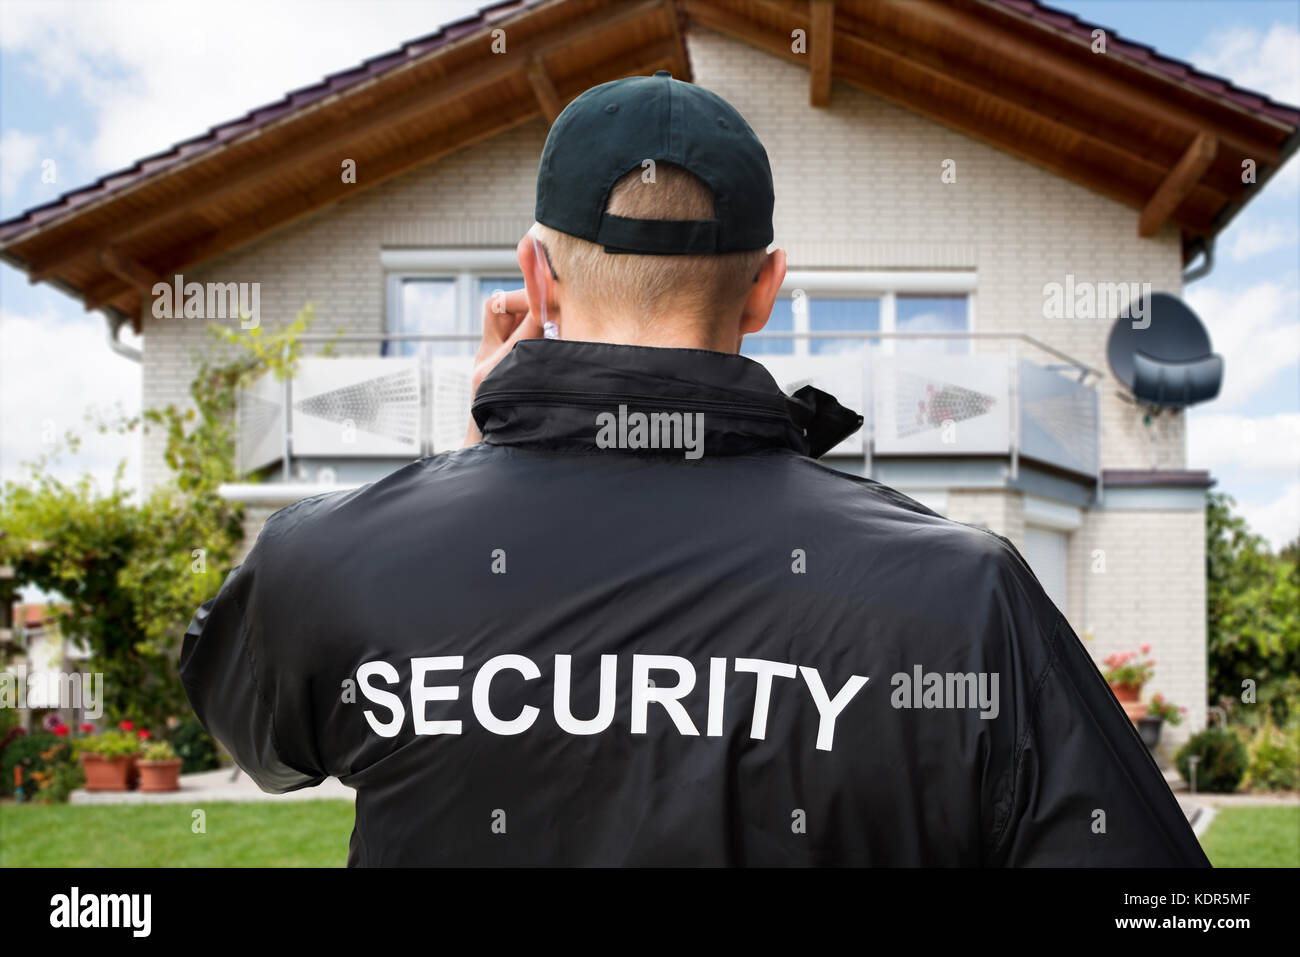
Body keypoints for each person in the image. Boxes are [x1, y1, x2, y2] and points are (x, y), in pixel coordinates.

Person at [181, 71, 1209, 867]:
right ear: (765, 288)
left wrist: (474, 464)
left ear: (537, 273)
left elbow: (256, 738)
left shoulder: (330, 559)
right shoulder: (966, 595)